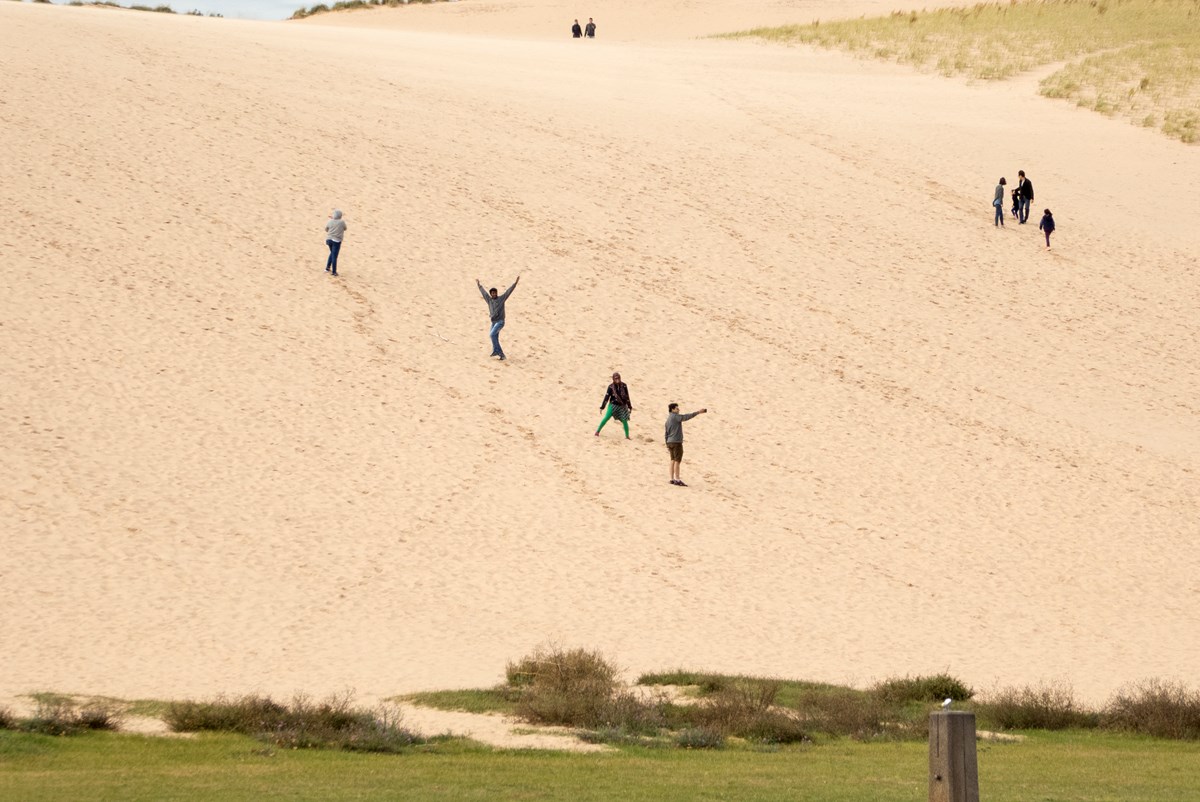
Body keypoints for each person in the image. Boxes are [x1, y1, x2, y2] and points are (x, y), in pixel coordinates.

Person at [476, 276, 519, 360]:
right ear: (491, 294)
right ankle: (498, 353)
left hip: (500, 322)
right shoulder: (489, 300)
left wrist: (515, 283)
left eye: (495, 293)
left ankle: (499, 352)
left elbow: (508, 292)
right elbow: (484, 293)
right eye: (492, 293)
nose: (493, 294)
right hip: (493, 322)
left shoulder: (501, 299)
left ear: (496, 293)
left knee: (491, 335)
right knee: (494, 337)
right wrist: (479, 285)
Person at [664, 403, 707, 486]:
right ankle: (677, 479)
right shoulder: (675, 417)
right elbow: (685, 417)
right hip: (676, 442)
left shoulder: (668, 420)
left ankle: (671, 479)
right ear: (672, 409)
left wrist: (667, 443)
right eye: (677, 408)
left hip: (670, 442)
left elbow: (666, 433)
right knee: (677, 461)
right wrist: (698, 412)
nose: (678, 410)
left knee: (672, 460)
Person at [595, 372, 632, 439]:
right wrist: (602, 407)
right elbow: (606, 397)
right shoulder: (610, 387)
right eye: (616, 378)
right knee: (606, 418)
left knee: (624, 420)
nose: (617, 379)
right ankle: (597, 431)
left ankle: (627, 436)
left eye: (618, 378)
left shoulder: (624, 386)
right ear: (613, 379)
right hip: (613, 405)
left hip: (622, 406)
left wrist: (629, 406)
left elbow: (627, 397)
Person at [325, 209, 346, 276]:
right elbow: (345, 228)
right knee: (334, 256)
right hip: (336, 241)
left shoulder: (330, 221)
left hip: (329, 240)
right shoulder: (342, 222)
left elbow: (326, 229)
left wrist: (332, 221)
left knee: (332, 254)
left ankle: (327, 268)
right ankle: (334, 272)